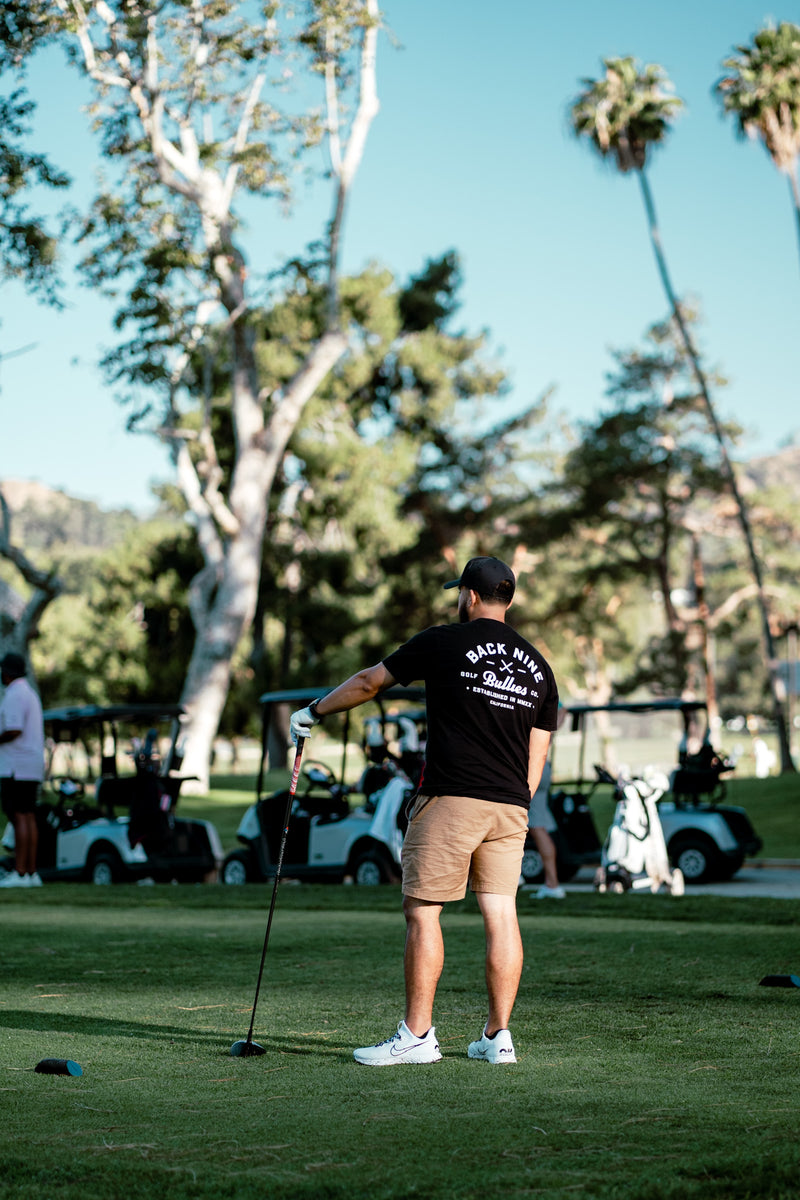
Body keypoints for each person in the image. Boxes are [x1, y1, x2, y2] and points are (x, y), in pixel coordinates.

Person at [290, 556, 559, 1066]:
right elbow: (537, 754)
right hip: (510, 806)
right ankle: (497, 1038)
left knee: (422, 911)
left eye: (461, 592)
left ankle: (417, 1037)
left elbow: (371, 683)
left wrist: (313, 711)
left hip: (451, 797)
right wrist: (515, 802)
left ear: (471, 596)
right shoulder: (539, 666)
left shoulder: (443, 640)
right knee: (501, 914)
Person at [0, 652, 45, 888]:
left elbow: (14, 729)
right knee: (28, 816)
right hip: (32, 764)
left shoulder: (14, 694)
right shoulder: (30, 693)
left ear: (7, 672)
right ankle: (30, 872)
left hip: (16, 766)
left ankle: (20, 871)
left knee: (18, 817)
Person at [527, 761, 565, 900]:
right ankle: (551, 883)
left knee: (537, 827)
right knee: (538, 826)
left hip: (532, 766)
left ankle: (553, 884)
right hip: (540, 765)